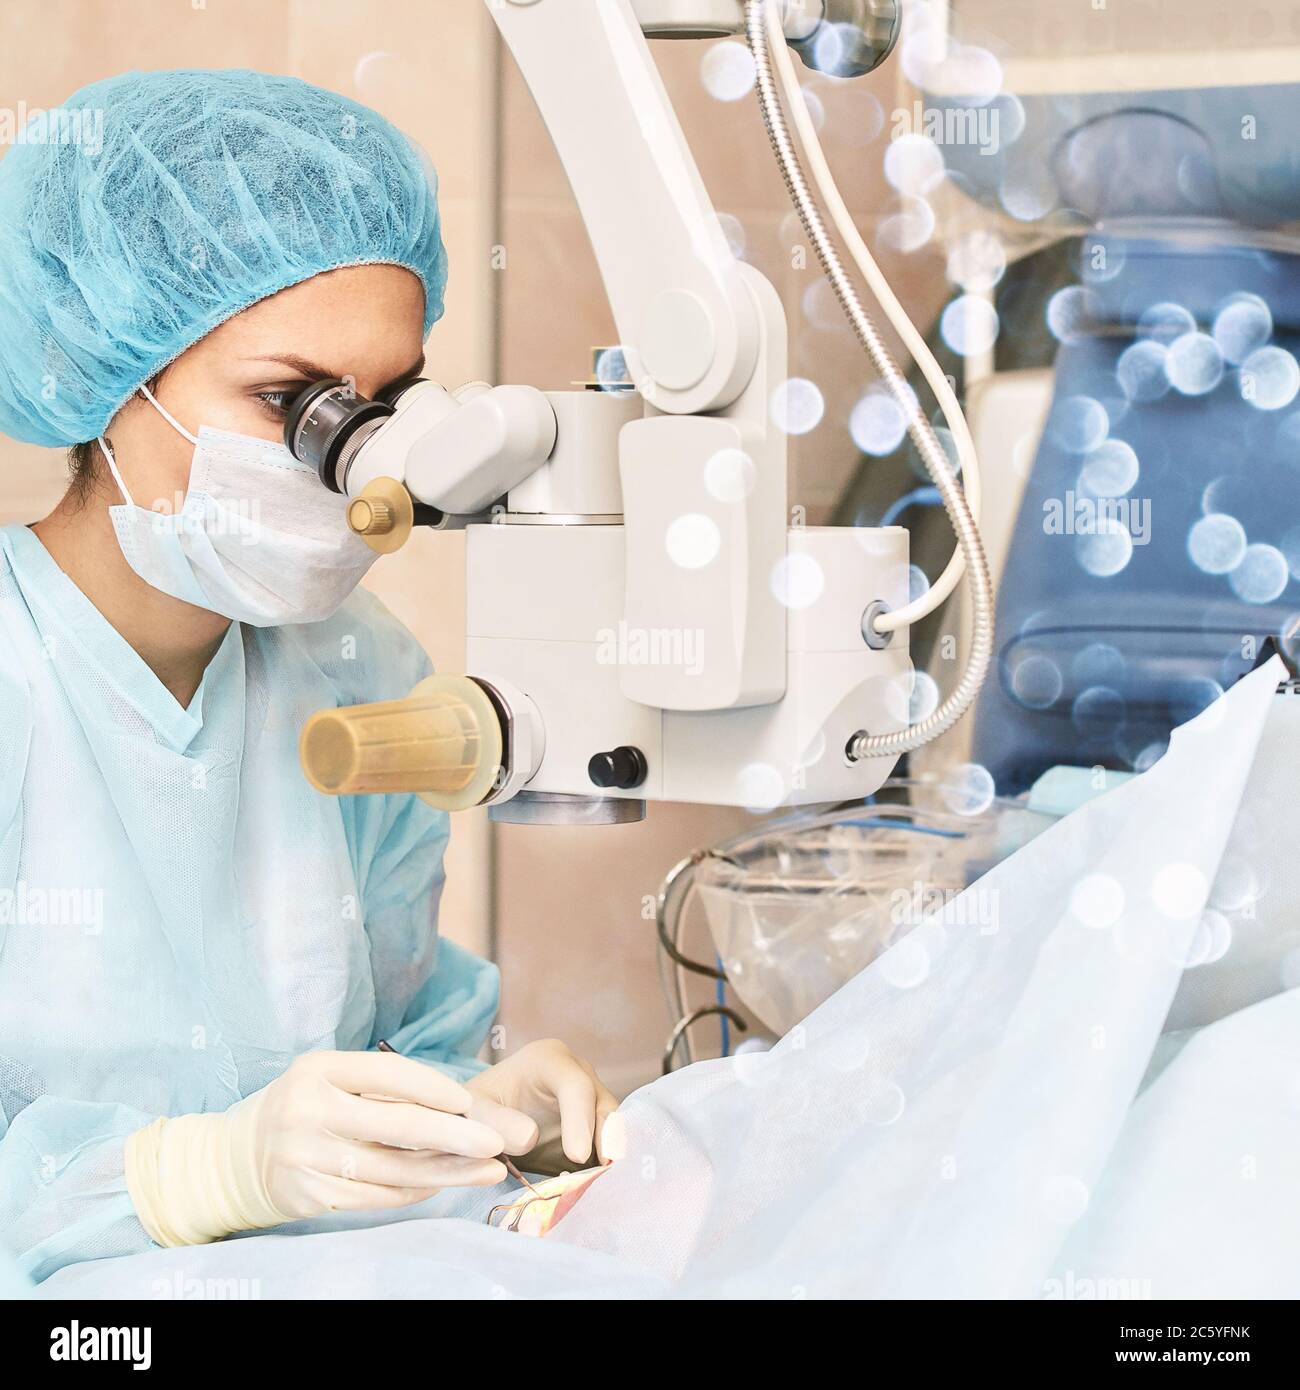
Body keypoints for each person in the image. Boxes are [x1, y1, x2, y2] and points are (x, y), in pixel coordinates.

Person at [0, 68, 615, 1282]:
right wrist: (195, 1173)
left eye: (383, 409)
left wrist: (476, 1108)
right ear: (105, 369)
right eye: (290, 401)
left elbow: (393, 1049)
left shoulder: (359, 669)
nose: (350, 467)